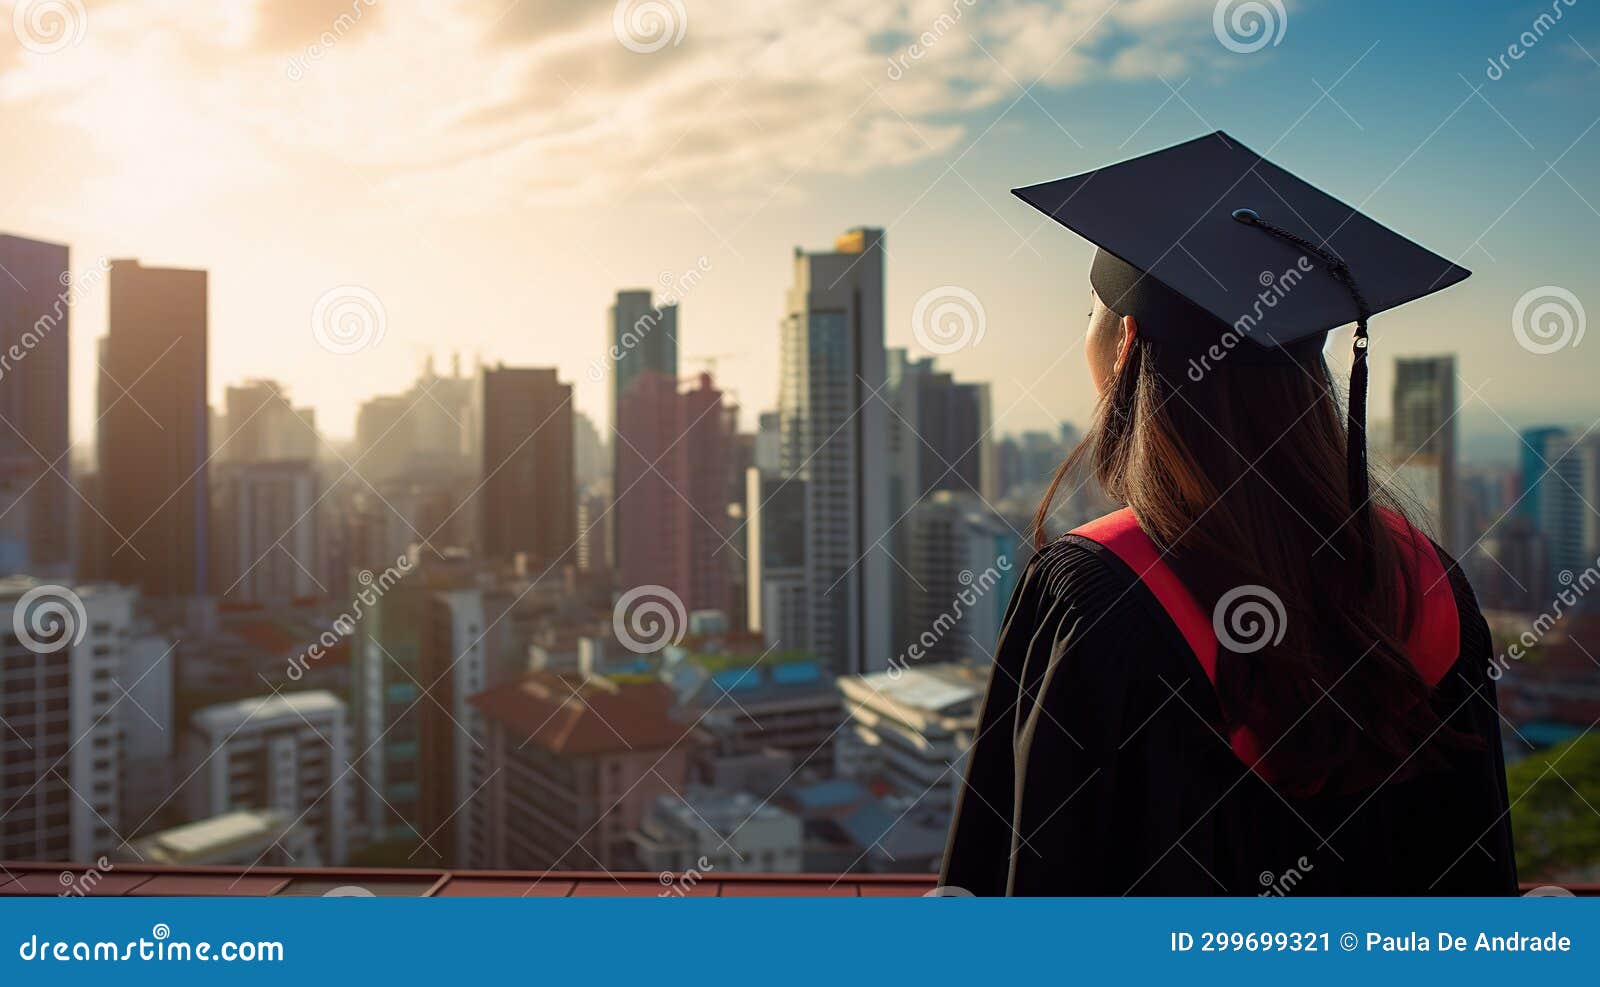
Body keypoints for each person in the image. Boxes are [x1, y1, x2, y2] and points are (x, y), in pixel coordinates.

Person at [940, 132, 1517, 896]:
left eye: (1091, 313)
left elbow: (1026, 892)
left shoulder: (1094, 593)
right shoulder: (1421, 581)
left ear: (1126, 345)